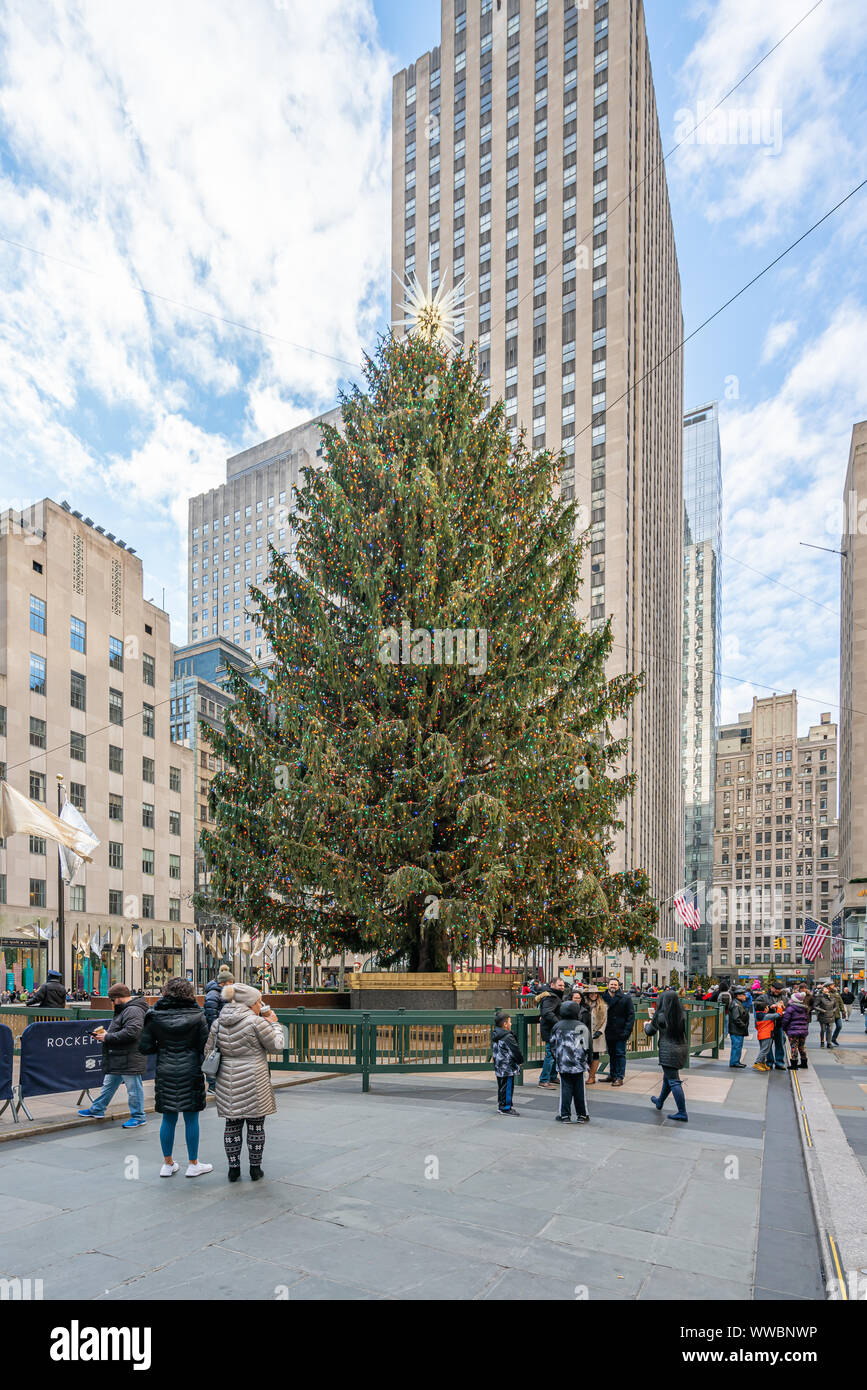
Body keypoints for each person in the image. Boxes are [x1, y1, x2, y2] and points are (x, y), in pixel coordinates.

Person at [205, 982, 286, 1179]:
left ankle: (233, 1169)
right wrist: (274, 1023)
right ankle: (255, 1169)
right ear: (250, 1003)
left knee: (232, 1125)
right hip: (255, 1079)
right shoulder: (256, 1022)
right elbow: (277, 1045)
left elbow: (208, 1051)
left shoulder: (218, 1023)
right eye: (259, 1001)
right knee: (256, 1125)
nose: (261, 1005)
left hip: (227, 1081)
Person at [138, 977, 213, 1179]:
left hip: (165, 1069)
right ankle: (193, 1163)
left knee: (168, 1117)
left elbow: (144, 1047)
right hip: (190, 1069)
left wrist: (163, 1048)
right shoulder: (198, 1015)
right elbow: (204, 1047)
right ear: (189, 993)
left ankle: (168, 1163)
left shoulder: (153, 1015)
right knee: (191, 1117)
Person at [78, 983, 148, 1127]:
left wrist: (107, 1037)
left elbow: (132, 1032)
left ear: (118, 998)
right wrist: (107, 1035)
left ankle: (139, 1116)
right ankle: (98, 1109)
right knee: (108, 1085)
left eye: (112, 999)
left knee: (134, 1089)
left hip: (129, 1056)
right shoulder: (128, 1009)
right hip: (120, 1055)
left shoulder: (133, 1010)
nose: (111, 1003)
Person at [645, 988, 689, 1122]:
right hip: (682, 1048)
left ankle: (682, 1112)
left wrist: (646, 1024)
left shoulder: (660, 1016)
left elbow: (650, 1032)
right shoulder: (682, 1014)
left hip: (667, 1050)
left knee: (674, 1081)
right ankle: (659, 1101)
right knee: (668, 1078)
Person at [551, 996, 591, 1122]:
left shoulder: (557, 1026)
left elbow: (552, 1045)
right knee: (580, 1090)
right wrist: (586, 1062)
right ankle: (582, 1115)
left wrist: (558, 1059)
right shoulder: (581, 1027)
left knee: (565, 1089)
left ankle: (565, 1115)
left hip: (563, 1063)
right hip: (578, 1064)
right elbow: (586, 1047)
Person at [203, 965, 234, 1094]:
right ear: (224, 982)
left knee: (217, 1057)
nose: (233, 984)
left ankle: (216, 1084)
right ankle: (212, 1085)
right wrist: (215, 1028)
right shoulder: (213, 994)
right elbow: (211, 1014)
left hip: (221, 1029)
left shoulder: (220, 993)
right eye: (231, 982)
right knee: (213, 1056)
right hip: (216, 1030)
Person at [600, 977, 635, 1087]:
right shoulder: (602, 997)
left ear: (619, 986)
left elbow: (630, 1016)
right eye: (611, 984)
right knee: (611, 1054)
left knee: (620, 1054)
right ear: (608, 985)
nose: (613, 986)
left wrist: (627, 1031)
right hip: (608, 1031)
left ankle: (620, 1077)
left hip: (620, 1031)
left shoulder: (626, 998)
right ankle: (612, 1075)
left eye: (615, 985)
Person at [491, 1009, 523, 1116]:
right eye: (509, 1022)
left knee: (501, 1086)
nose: (511, 1024)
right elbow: (515, 1050)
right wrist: (520, 1061)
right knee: (508, 1086)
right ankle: (506, 1107)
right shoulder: (507, 1036)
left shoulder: (496, 1033)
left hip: (499, 1065)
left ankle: (501, 1104)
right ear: (505, 1024)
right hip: (507, 1066)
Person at [535, 978, 565, 1088]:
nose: (562, 987)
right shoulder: (551, 996)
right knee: (551, 1055)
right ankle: (543, 1080)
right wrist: (559, 1023)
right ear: (552, 985)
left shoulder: (552, 995)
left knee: (555, 1054)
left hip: (552, 1029)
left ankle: (552, 1076)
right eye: (560, 985)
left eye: (563, 985)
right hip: (551, 1030)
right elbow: (547, 1012)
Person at [584, 985, 607, 1086]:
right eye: (591, 993)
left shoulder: (603, 1006)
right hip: (585, 1033)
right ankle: (590, 1074)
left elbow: (605, 1020)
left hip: (597, 1034)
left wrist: (600, 1031)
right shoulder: (584, 1005)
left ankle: (592, 1077)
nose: (593, 995)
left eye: (595, 993)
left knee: (595, 1055)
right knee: (586, 1055)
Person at [781, 990, 811, 1068]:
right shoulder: (805, 1009)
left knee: (794, 1047)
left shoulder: (790, 1008)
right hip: (803, 1031)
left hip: (793, 1031)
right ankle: (804, 1063)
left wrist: (784, 1028)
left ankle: (794, 1064)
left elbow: (786, 1020)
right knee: (802, 1046)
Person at [752, 994, 779, 1072]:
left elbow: (756, 1026)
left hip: (761, 1034)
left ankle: (762, 1063)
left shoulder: (758, 1016)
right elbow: (778, 1015)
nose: (768, 1008)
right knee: (765, 1050)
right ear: (765, 1009)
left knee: (763, 1049)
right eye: (767, 1007)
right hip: (767, 1035)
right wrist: (779, 1007)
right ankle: (757, 1063)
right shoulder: (767, 1016)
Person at [728, 986, 750, 1068]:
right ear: (738, 996)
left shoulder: (737, 1003)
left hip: (738, 1030)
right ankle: (734, 1062)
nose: (745, 996)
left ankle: (736, 1061)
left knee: (738, 1046)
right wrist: (743, 1026)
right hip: (737, 1030)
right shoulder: (736, 1005)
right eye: (744, 995)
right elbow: (736, 1018)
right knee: (736, 1046)